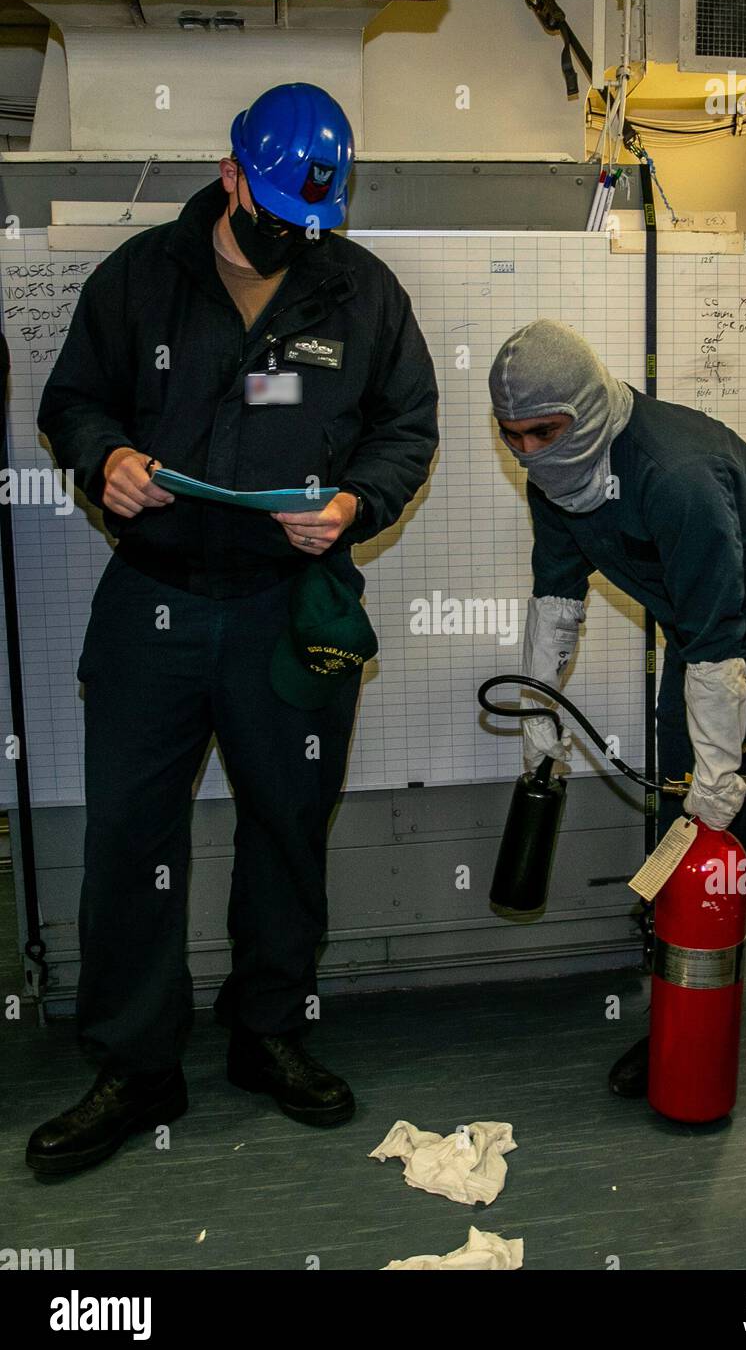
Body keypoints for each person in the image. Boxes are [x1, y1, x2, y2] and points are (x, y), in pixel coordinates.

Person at [27, 82, 439, 1177]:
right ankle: (135, 1064)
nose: (297, 240)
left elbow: (408, 425)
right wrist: (102, 457)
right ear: (228, 177)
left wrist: (355, 503)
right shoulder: (139, 279)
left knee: (287, 827)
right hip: (152, 599)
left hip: (288, 613)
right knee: (129, 837)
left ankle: (268, 1033)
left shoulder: (359, 292)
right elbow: (73, 400)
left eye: (316, 222)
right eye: (275, 216)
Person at [489, 318, 746, 1157]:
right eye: (513, 438)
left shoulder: (674, 472)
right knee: (685, 836)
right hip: (703, 634)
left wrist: (724, 771)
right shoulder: (556, 484)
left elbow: (721, 641)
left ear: (583, 409)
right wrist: (538, 719)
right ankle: (689, 1021)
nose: (531, 452)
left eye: (545, 432)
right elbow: (556, 599)